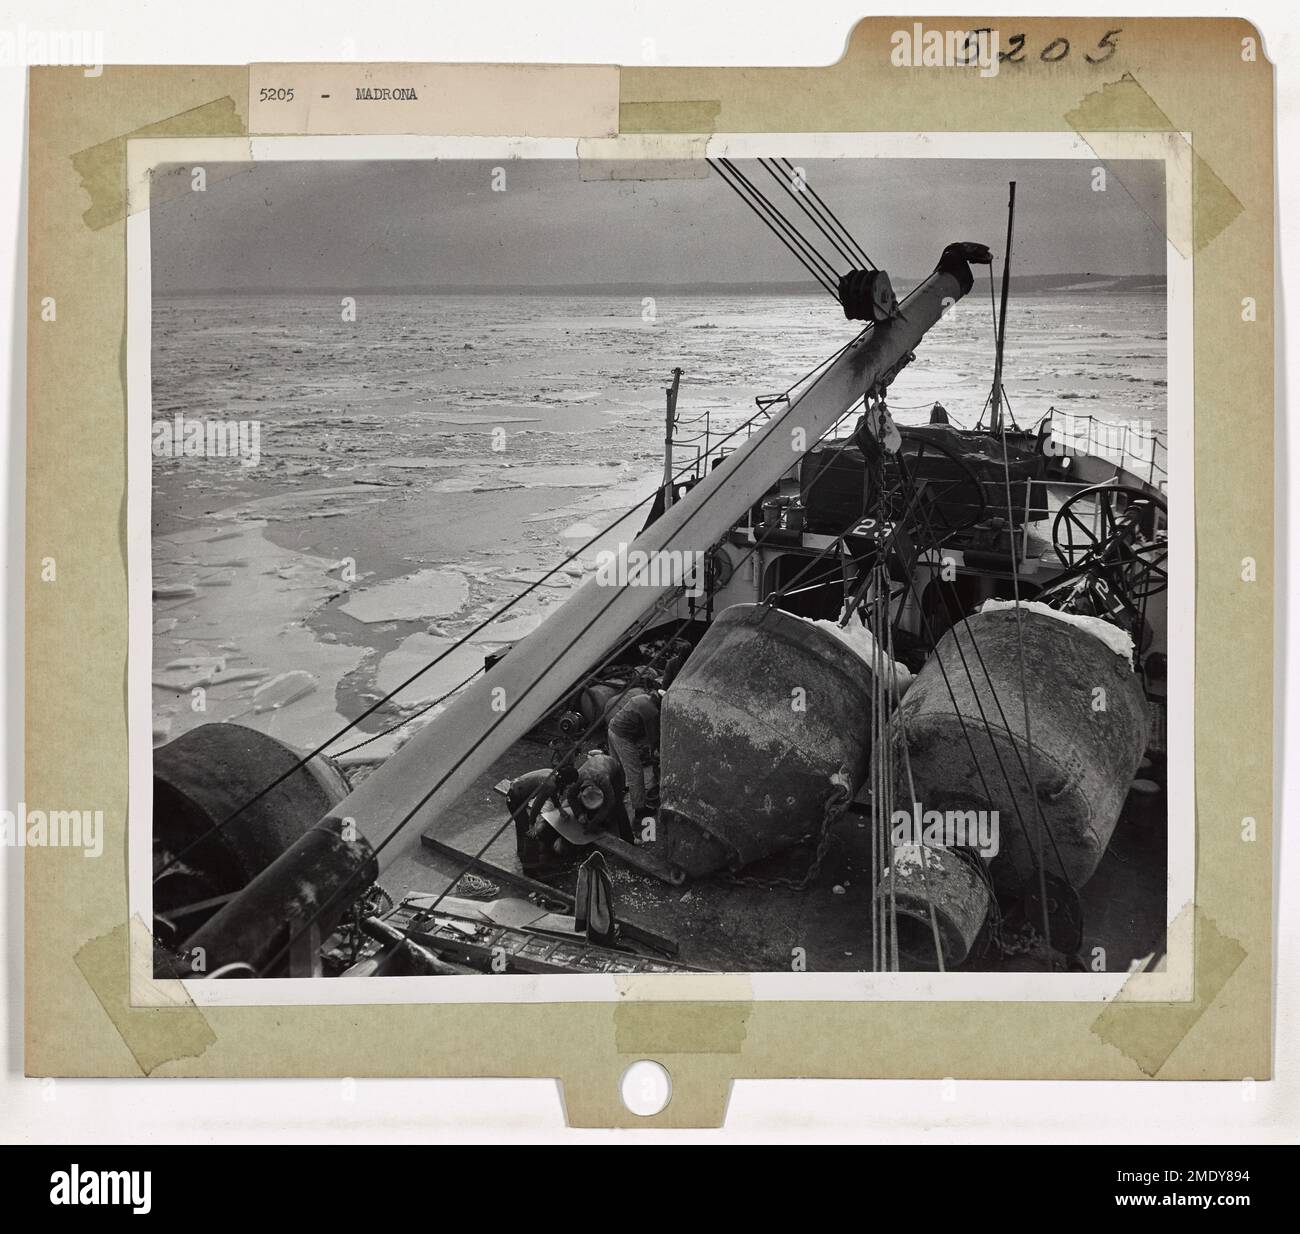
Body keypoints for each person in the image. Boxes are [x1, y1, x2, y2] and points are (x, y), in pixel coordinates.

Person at [606, 687, 661, 826]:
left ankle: (615, 796)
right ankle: (640, 810)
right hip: (622, 736)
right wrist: (656, 751)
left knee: (616, 767)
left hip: (612, 727)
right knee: (635, 773)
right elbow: (653, 738)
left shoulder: (643, 697)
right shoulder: (652, 711)